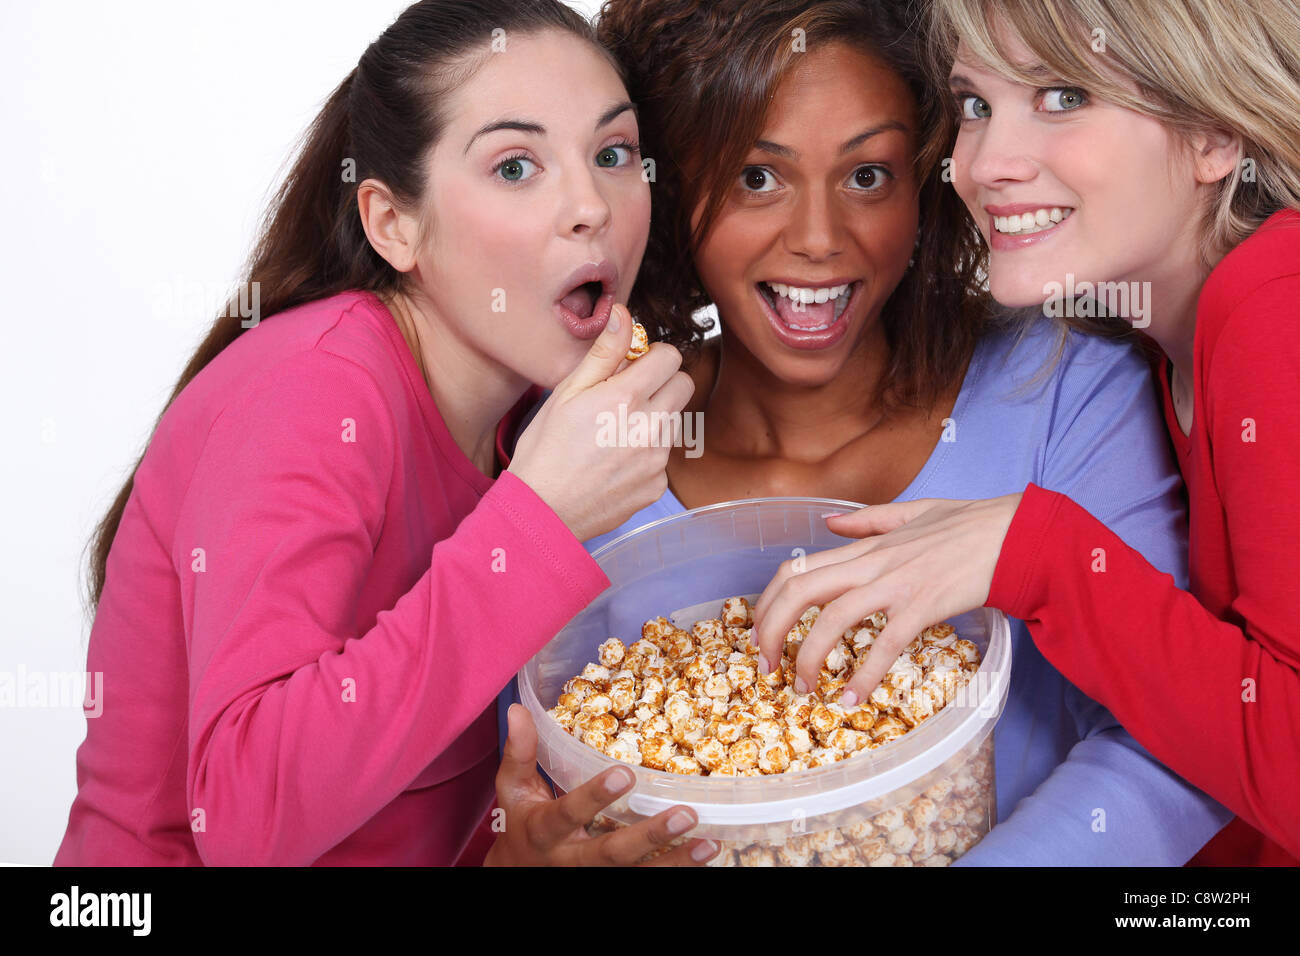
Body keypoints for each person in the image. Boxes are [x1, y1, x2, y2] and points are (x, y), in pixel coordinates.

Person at [492, 0, 1230, 865]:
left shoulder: (1064, 386)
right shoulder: (586, 444)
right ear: (669, 190)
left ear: (927, 183)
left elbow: (1180, 745)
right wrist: (519, 852)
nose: (818, 239)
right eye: (756, 178)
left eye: (868, 176)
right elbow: (519, 771)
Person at [54, 0, 713, 867]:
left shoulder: (525, 419)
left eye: (613, 153)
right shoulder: (309, 391)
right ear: (391, 223)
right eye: (516, 166)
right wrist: (537, 525)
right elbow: (246, 823)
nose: (590, 205)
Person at [753, 0, 1300, 865]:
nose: (987, 165)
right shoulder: (1155, 335)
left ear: (1213, 136)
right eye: (976, 105)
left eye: (1063, 95)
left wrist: (1034, 549)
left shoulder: (1277, 304)